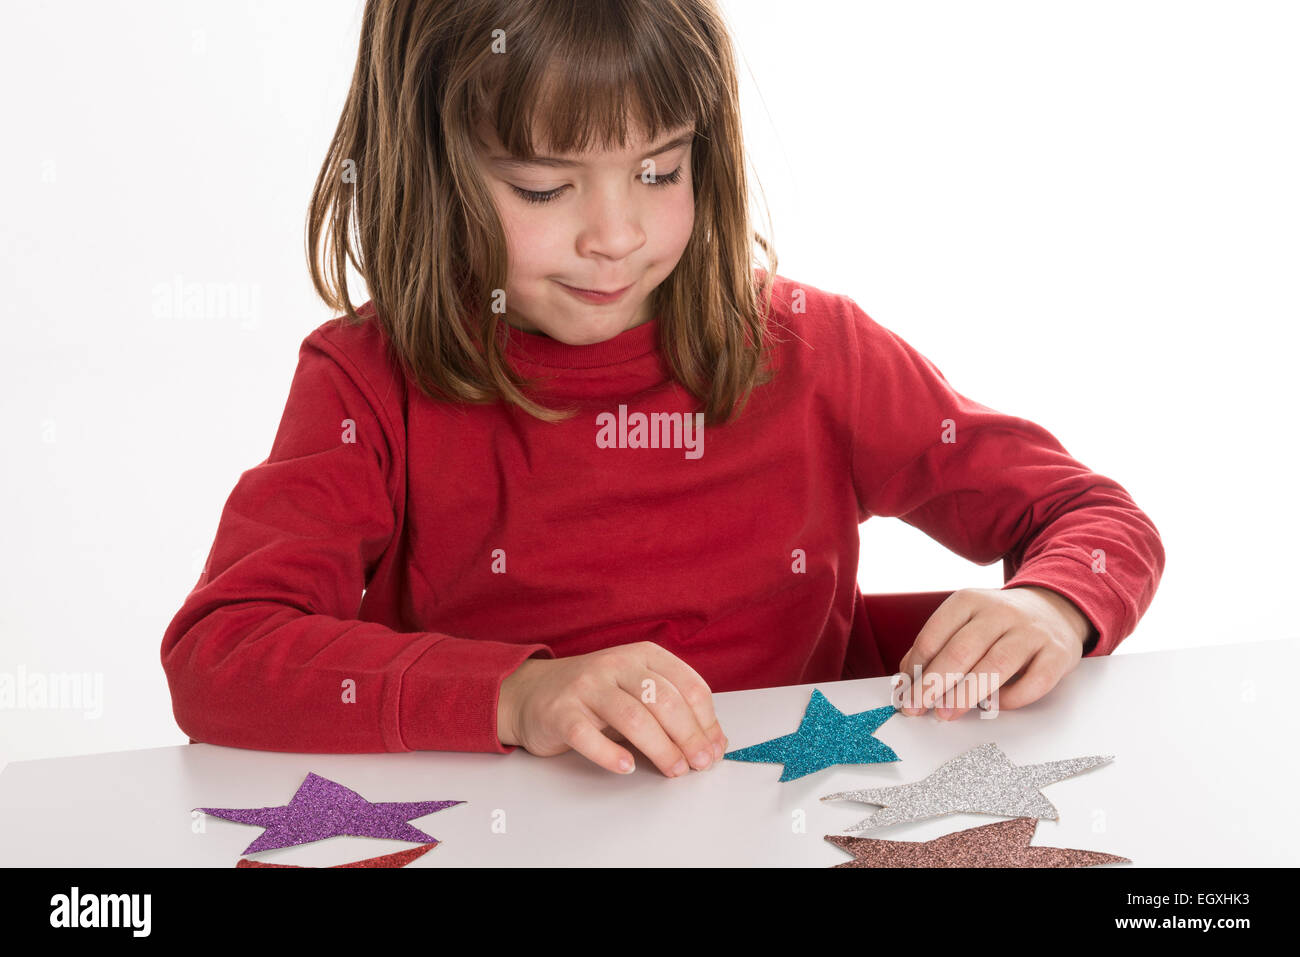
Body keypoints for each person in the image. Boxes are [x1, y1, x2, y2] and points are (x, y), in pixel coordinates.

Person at [161, 0, 1165, 779]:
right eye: (544, 188)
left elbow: (1089, 515)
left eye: (657, 171)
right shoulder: (367, 382)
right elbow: (221, 652)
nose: (615, 236)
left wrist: (1049, 604)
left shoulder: (813, 350)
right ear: (431, 169)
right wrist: (517, 697)